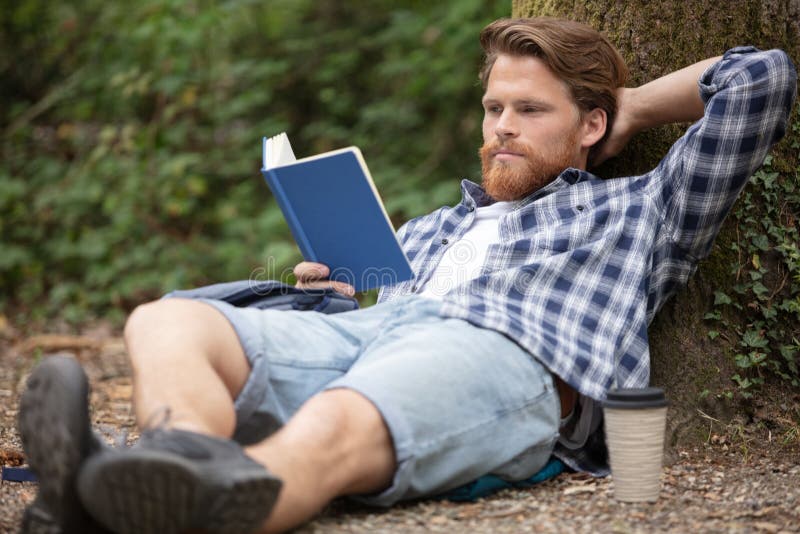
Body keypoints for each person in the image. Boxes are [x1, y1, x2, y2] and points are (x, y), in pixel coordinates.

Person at [18, 16, 796, 534]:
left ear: (590, 125)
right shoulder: (429, 227)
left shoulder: (644, 208)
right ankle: (167, 465)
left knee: (335, 423)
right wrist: (323, 299)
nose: (500, 129)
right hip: (372, 336)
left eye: (529, 111)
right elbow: (366, 330)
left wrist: (628, 107)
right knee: (166, 320)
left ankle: (171, 502)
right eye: (493, 109)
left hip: (507, 354)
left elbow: (760, 80)